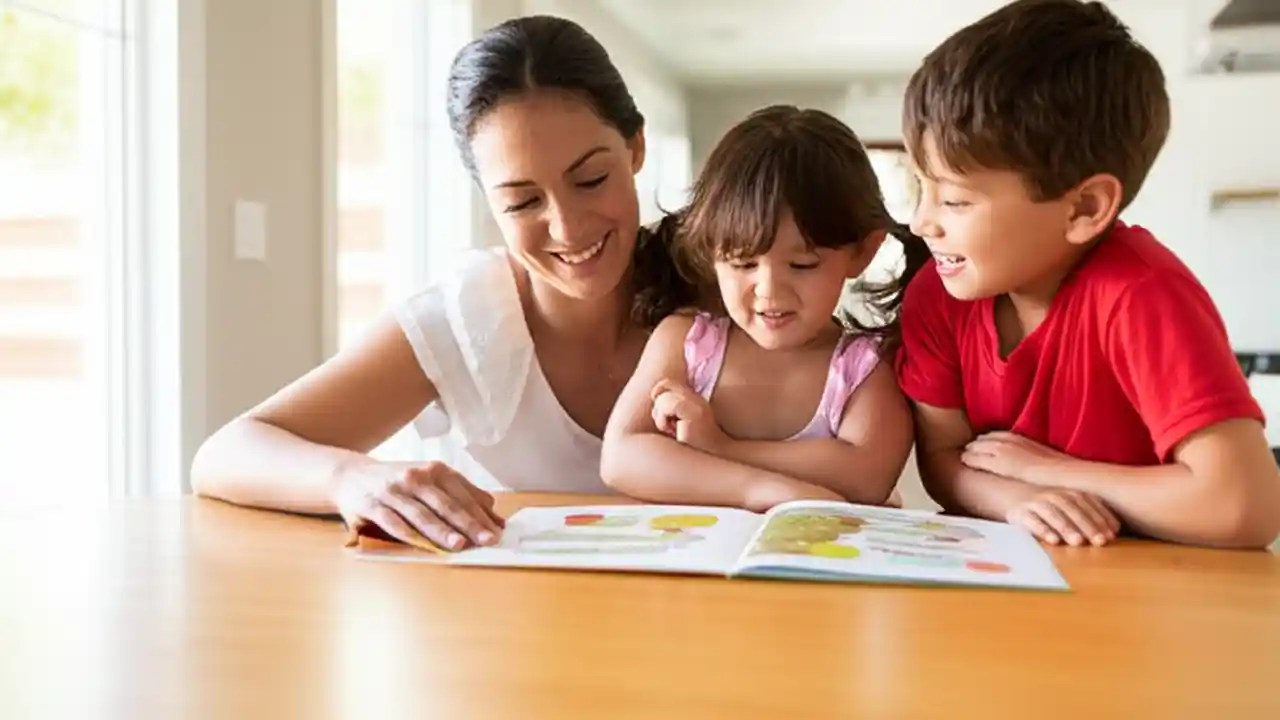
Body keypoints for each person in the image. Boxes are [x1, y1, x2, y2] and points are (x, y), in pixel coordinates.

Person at [191, 16, 697, 551]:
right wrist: (351, 477)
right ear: (489, 201)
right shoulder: (468, 322)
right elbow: (225, 454)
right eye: (523, 201)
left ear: (636, 147)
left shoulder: (727, 286)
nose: (567, 228)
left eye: (591, 179)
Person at [895, 0, 1280, 549]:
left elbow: (1246, 507)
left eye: (955, 201)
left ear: (1084, 209)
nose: (922, 221)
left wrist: (1053, 472)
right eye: (919, 187)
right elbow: (943, 458)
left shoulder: (1141, 294)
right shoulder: (939, 294)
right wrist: (1013, 500)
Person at [602, 106, 925, 511]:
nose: (769, 290)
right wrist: (761, 490)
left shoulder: (865, 367)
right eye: (743, 264)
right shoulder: (687, 341)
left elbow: (868, 476)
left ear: (862, 252)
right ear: (711, 254)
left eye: (802, 264)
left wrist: (720, 446)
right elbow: (621, 458)